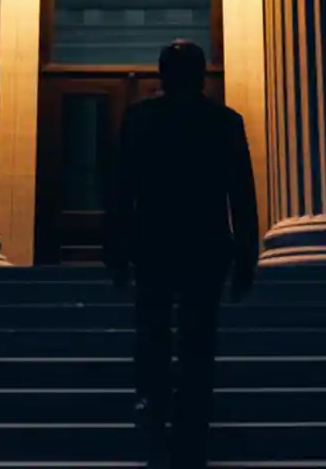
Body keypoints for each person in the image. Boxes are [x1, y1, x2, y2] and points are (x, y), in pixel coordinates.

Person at [105, 39, 260, 469]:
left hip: (156, 242)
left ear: (162, 72)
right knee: (197, 335)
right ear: (203, 73)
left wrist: (115, 251)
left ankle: (155, 406)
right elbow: (241, 195)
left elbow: (121, 189)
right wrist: (247, 256)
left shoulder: (140, 119)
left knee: (153, 329)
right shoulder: (224, 122)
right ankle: (189, 416)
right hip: (203, 244)